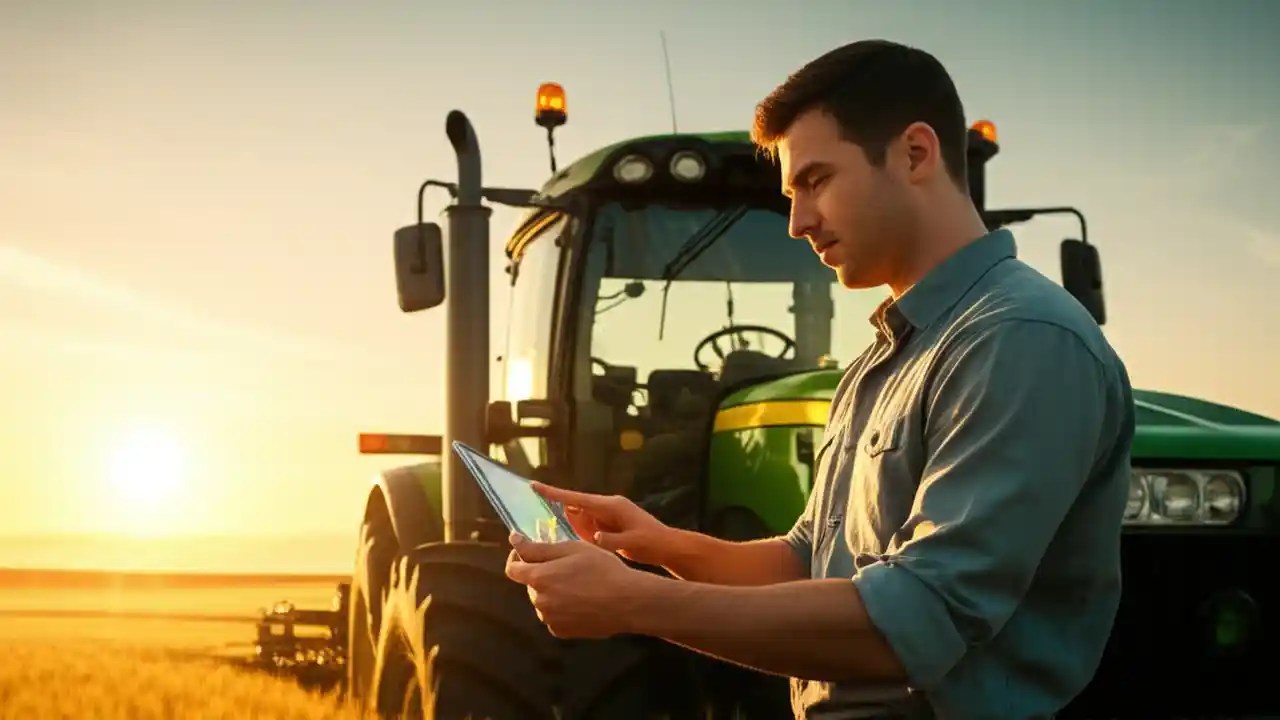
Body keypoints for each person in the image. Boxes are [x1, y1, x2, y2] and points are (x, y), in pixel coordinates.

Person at [504, 38, 1135, 719]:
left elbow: (917, 618)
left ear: (915, 154)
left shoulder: (1017, 338)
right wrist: (658, 544)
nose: (798, 223)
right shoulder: (879, 361)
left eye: (816, 180)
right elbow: (811, 560)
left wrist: (633, 602)